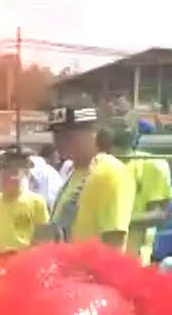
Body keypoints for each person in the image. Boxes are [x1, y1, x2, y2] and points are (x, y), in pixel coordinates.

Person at [48, 102, 135, 250]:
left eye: (68, 135)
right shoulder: (73, 172)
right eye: (56, 134)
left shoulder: (109, 171)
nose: (60, 141)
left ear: (93, 132)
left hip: (92, 271)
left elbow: (112, 242)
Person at [105, 118, 172, 265]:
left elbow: (161, 215)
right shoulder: (97, 166)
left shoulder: (152, 165)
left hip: (135, 260)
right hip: (99, 257)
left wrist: (117, 222)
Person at [0, 147, 51, 256]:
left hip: (26, 262)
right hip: (0, 263)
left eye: (16, 172)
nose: (10, 177)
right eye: (5, 171)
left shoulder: (37, 202)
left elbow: (43, 240)